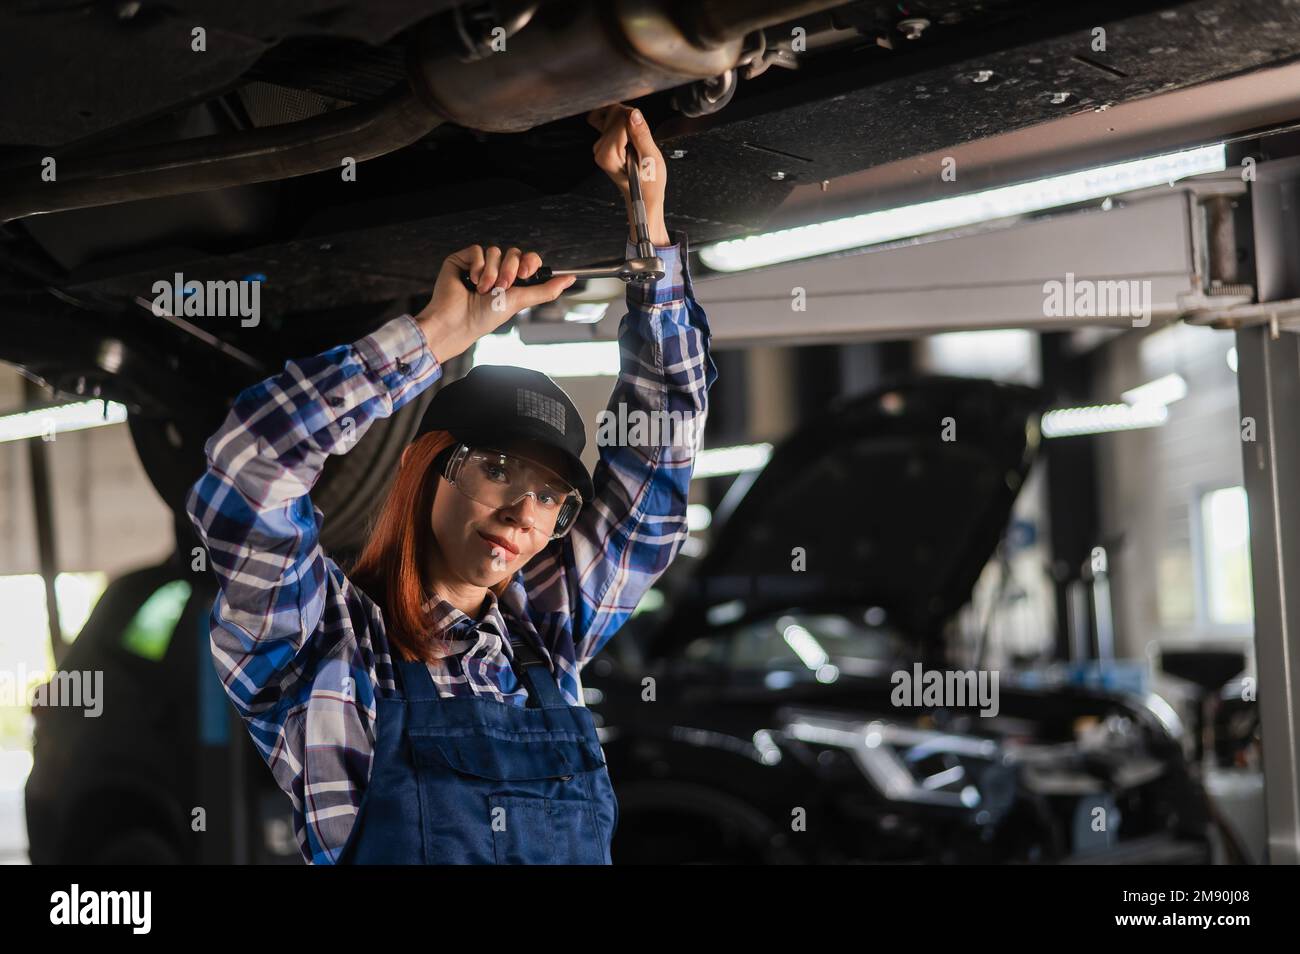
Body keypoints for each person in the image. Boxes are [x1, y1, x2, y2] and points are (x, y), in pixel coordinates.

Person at [185, 104, 717, 864]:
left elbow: (655, 469)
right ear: (423, 463)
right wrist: (439, 336)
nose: (524, 511)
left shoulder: (546, 641)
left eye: (552, 497)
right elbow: (250, 469)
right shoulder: (322, 652)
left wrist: (647, 224)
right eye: (497, 468)